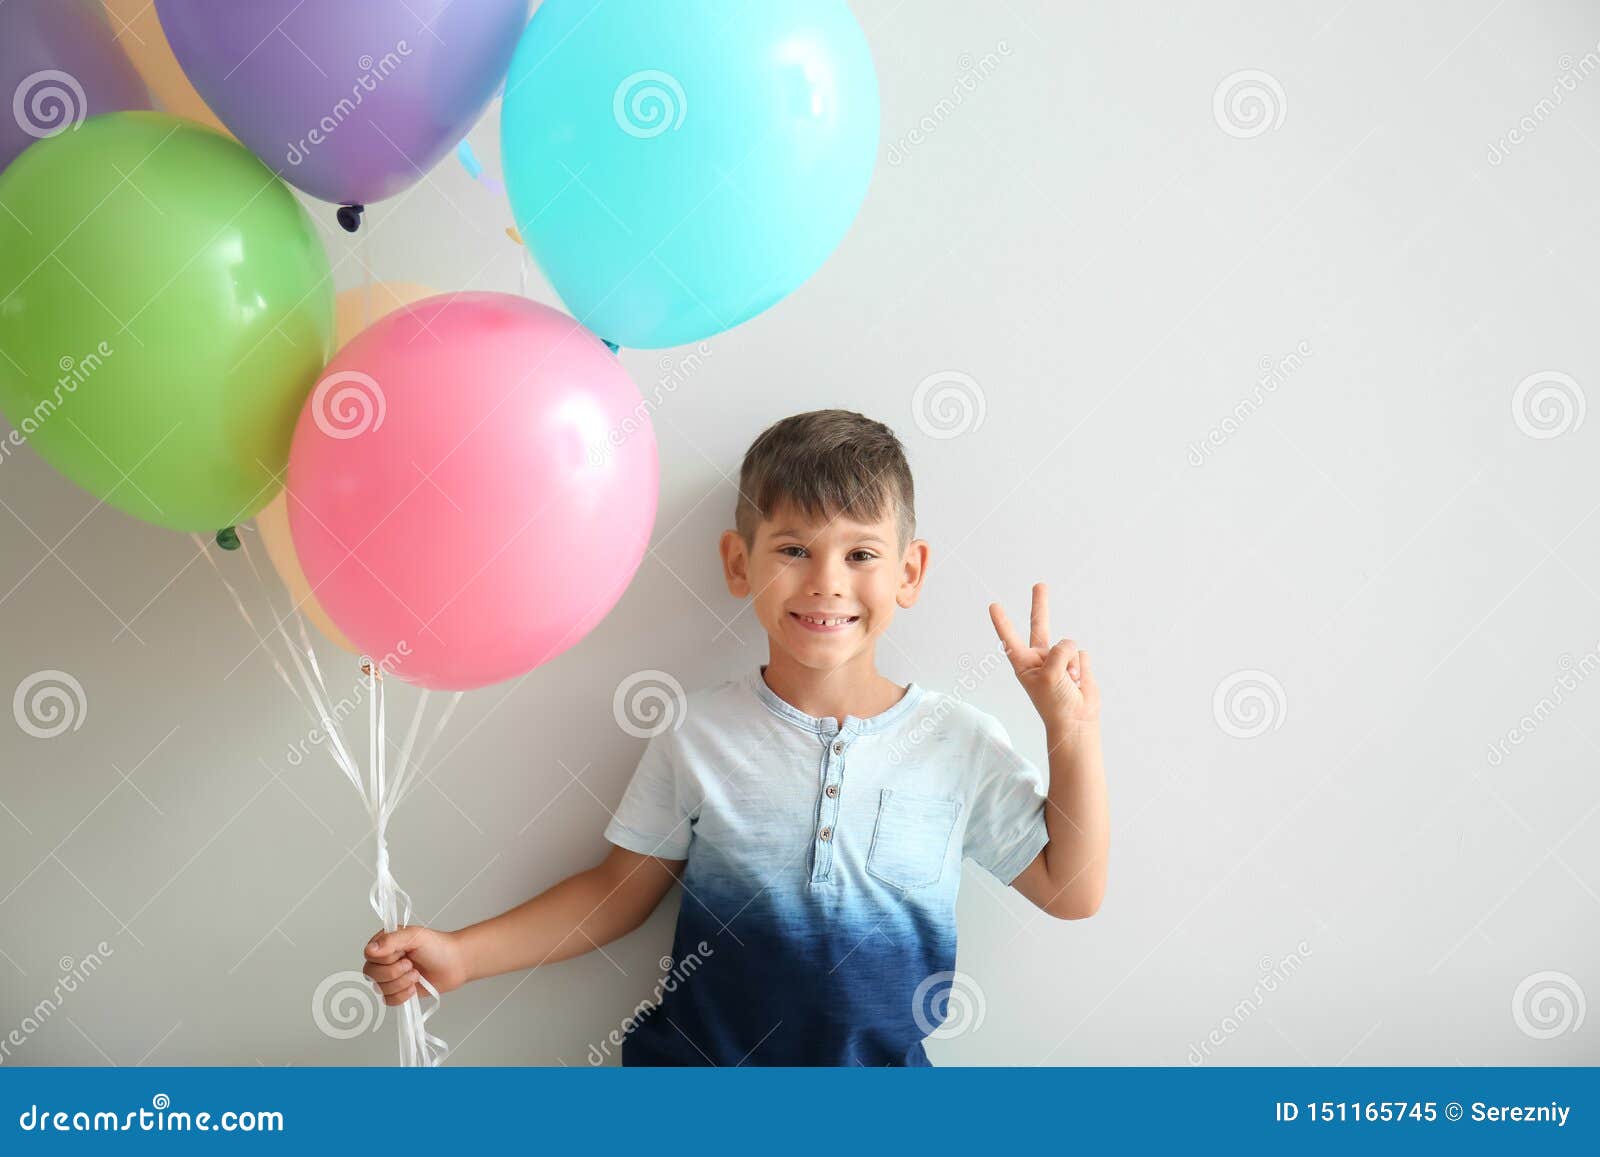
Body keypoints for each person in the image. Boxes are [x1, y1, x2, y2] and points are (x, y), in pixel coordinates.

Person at [361, 408, 1108, 1065]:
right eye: (792, 549)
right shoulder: (697, 731)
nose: (826, 581)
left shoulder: (959, 742)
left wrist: (1069, 731)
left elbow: (1071, 891)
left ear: (909, 572)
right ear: (737, 563)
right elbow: (616, 893)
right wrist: (461, 955)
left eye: (860, 553)